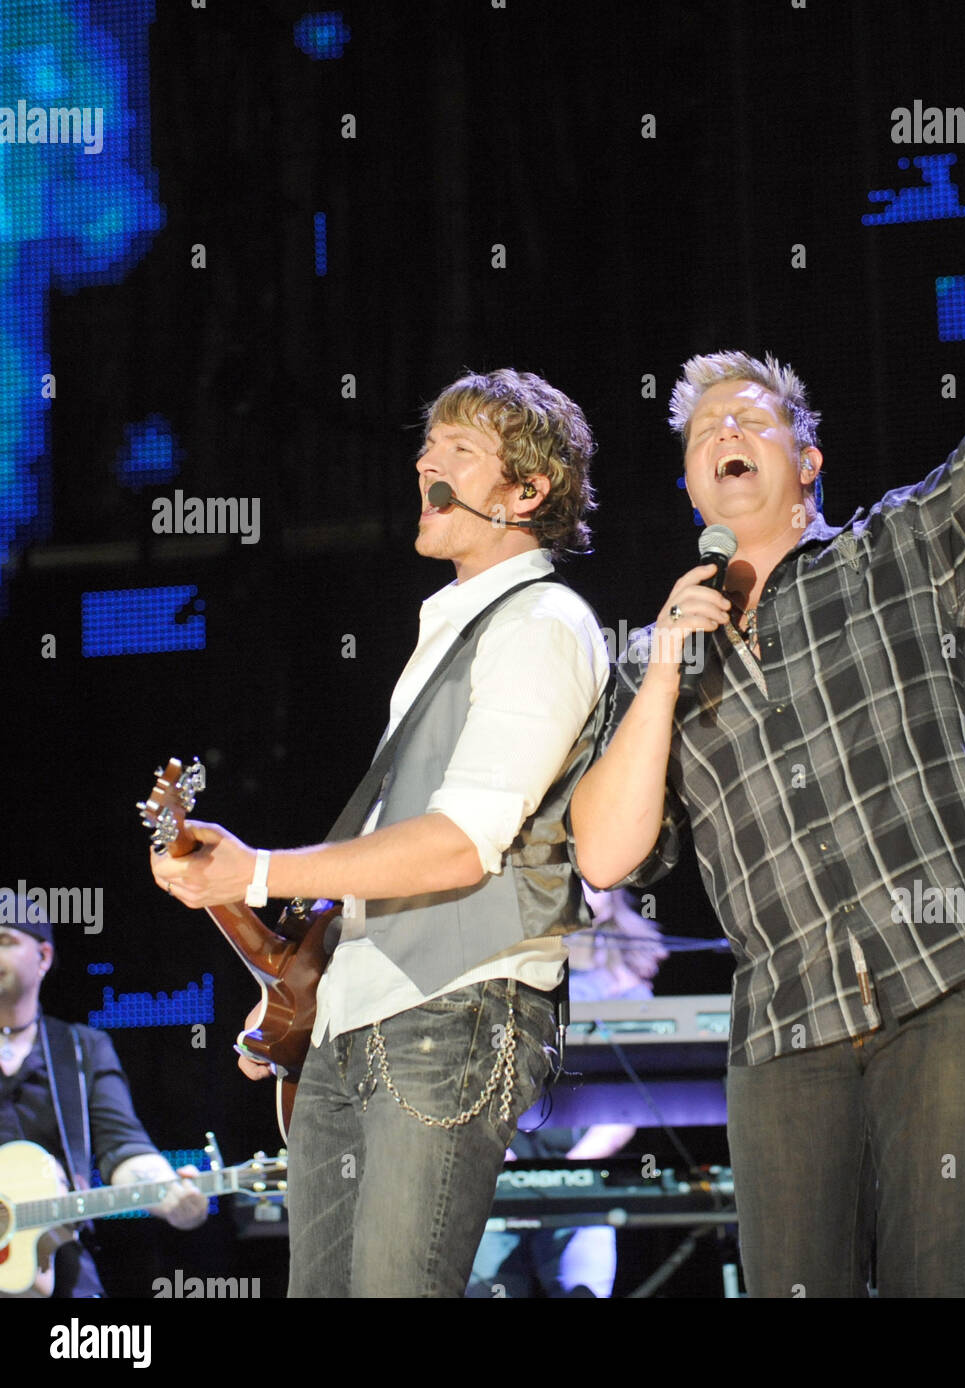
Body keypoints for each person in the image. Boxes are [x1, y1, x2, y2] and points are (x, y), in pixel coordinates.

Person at [571, 102, 965, 1297]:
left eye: (751, 417)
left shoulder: (895, 550)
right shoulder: (659, 653)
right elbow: (605, 848)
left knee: (934, 1273)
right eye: (702, 432)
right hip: (785, 1019)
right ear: (694, 481)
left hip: (945, 964)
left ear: (806, 458)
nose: (723, 434)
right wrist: (656, 671)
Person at [150, 368, 610, 1298]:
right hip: (360, 1020)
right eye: (427, 447)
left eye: (460, 452)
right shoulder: (449, 632)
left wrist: (263, 871)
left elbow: (460, 843)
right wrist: (304, 983)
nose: (425, 464)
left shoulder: (539, 623)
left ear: (529, 493)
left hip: (453, 1013)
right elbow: (395, 864)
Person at [466, 884, 668, 1297]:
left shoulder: (626, 983)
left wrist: (576, 1166)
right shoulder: (506, 967)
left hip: (583, 1166)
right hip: (502, 1160)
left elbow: (629, 1100)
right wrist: (491, 1147)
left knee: (583, 1286)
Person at [0, 903, 208, 1297]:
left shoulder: (80, 1048)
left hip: (55, 1262)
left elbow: (122, 1147)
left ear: (44, 956)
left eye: (5, 941)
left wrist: (168, 1194)